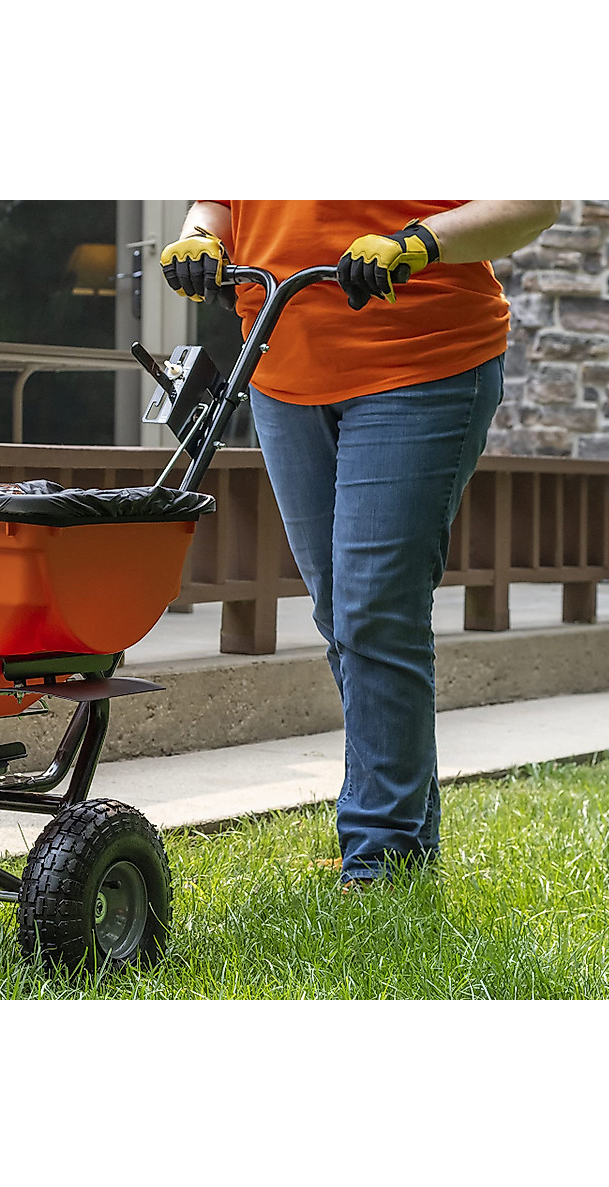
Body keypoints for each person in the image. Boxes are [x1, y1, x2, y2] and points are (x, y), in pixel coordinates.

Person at [160, 201, 561, 888]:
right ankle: (402, 838)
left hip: (422, 359)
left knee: (375, 606)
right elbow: (222, 201)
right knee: (342, 613)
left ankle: (379, 855)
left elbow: (530, 202)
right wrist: (199, 237)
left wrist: (420, 243)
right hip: (281, 361)